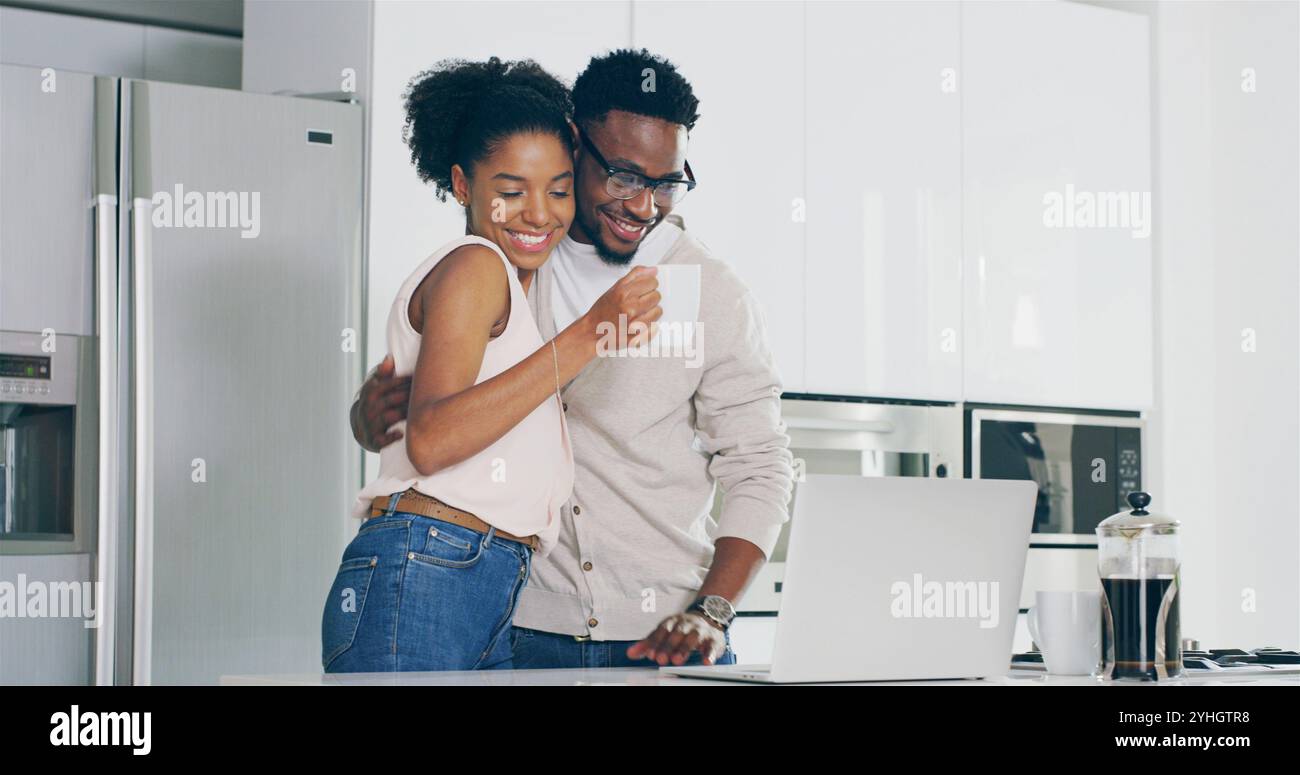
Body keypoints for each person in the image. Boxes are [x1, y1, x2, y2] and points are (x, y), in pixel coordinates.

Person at [353, 49, 794, 669]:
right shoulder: (517, 257)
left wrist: (712, 611)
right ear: (574, 146)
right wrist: (370, 415)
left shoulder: (708, 288)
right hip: (516, 625)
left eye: (666, 182)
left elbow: (760, 464)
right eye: (623, 177)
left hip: (666, 633)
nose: (643, 205)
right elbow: (431, 416)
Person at [322, 57, 661, 672]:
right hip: (432, 568)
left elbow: (399, 414)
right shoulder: (476, 265)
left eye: (558, 189)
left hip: (477, 577)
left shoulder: (502, 280)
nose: (539, 213)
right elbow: (431, 440)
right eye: (510, 192)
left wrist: (364, 417)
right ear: (461, 185)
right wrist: (591, 334)